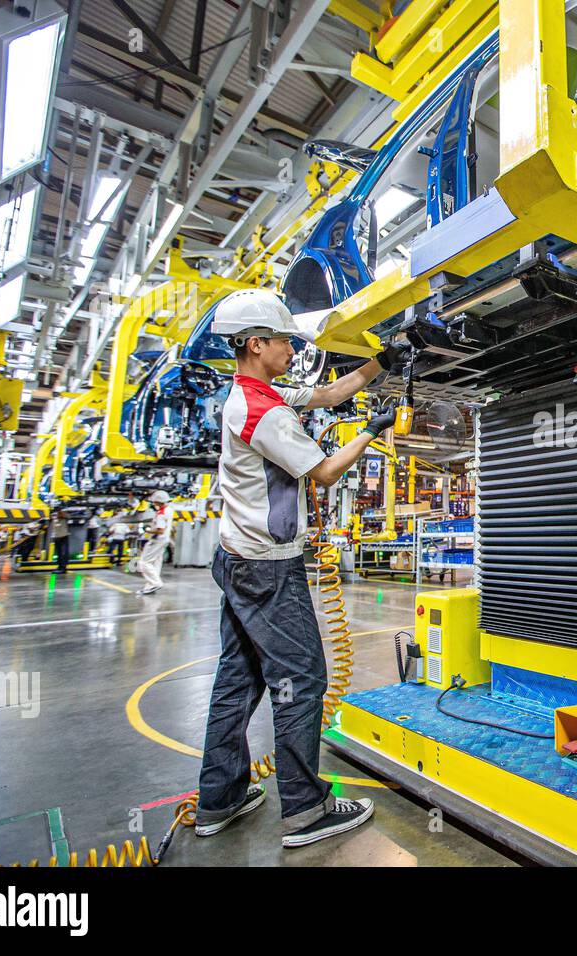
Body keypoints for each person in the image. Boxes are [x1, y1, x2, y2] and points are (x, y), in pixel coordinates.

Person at [194, 288, 401, 850]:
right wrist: (371, 431)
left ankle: (220, 797)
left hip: (237, 562)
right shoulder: (261, 412)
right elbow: (327, 471)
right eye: (284, 340)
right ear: (256, 344)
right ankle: (306, 811)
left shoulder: (256, 392)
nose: (293, 348)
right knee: (302, 679)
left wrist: (384, 361)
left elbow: (327, 393)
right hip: (267, 569)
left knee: (237, 683)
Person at [136, 490, 172, 594]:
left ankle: (155, 583)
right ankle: (150, 586)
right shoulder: (169, 510)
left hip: (157, 539)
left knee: (144, 562)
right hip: (165, 539)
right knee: (156, 563)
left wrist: (147, 530)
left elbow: (160, 530)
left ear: (158, 502)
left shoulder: (161, 514)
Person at [48, 508, 71, 573]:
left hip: (63, 536)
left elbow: (67, 516)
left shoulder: (63, 514)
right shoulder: (54, 515)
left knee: (63, 552)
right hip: (57, 536)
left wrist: (60, 511)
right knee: (59, 552)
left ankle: (63, 568)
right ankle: (60, 566)